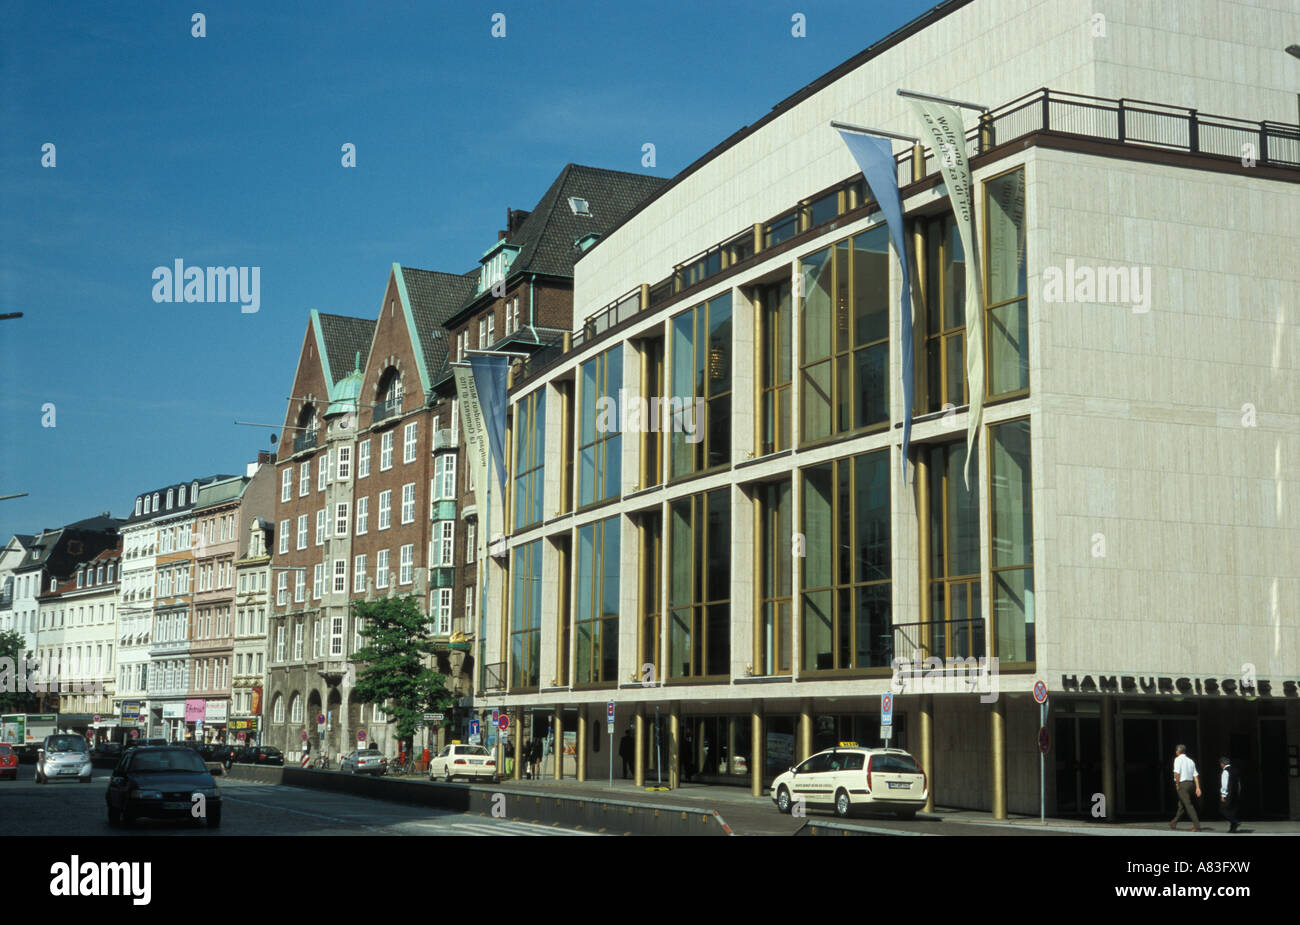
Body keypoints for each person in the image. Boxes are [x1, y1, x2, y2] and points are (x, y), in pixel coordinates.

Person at [1170, 744, 1202, 831]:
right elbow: (1195, 775)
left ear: (1178, 751)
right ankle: (1174, 822)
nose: (1176, 752)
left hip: (1182, 784)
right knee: (1181, 804)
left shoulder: (1177, 759)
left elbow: (1177, 773)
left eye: (1176, 750)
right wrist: (1198, 788)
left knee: (1188, 805)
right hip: (1191, 784)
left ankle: (1197, 826)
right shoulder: (1191, 761)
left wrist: (1177, 785)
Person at [1219, 756, 1242, 833]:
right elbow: (1239, 783)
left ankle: (1234, 821)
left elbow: (1224, 784)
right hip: (1235, 793)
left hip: (1229, 794)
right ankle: (1233, 828)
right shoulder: (1235, 770)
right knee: (1233, 810)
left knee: (1223, 809)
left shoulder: (1225, 771)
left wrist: (1223, 795)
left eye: (1220, 764)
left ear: (1222, 764)